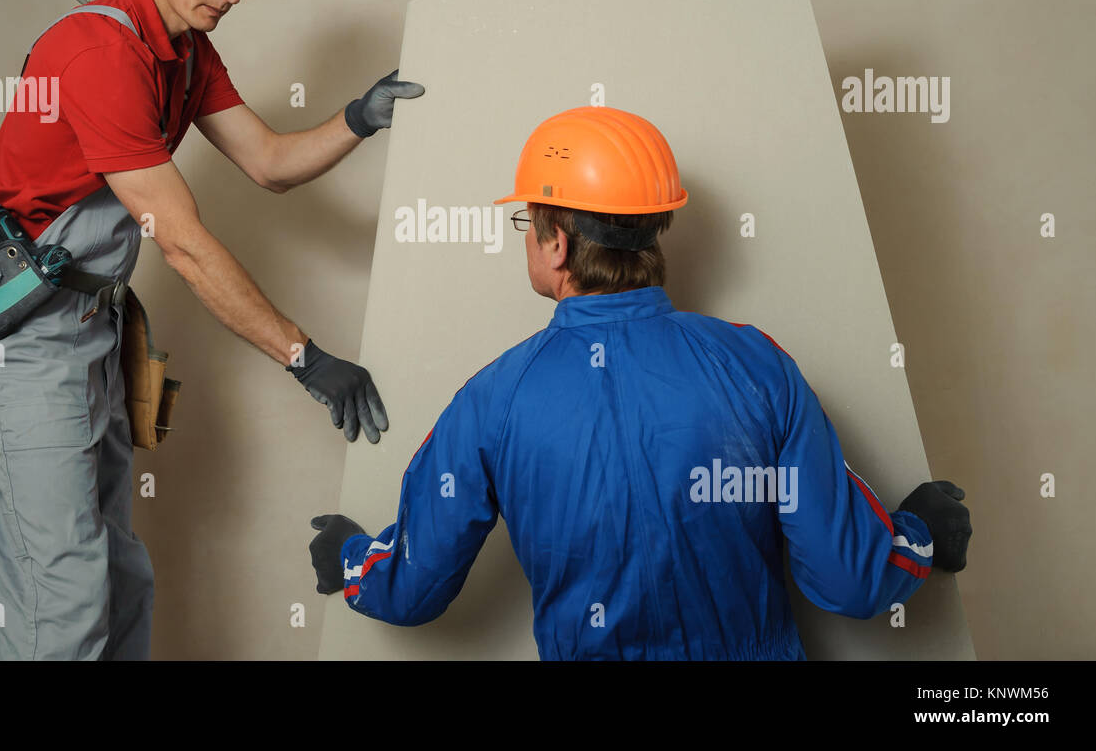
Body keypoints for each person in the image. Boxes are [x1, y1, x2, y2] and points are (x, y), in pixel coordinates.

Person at [0, 0, 424, 660]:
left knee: (122, 577)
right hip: (27, 335)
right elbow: (179, 237)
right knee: (58, 594)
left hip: (93, 329)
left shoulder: (186, 54)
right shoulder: (98, 50)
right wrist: (302, 356)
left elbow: (270, 161)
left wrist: (356, 117)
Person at [309, 105, 971, 660]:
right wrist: (919, 531)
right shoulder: (756, 365)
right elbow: (852, 577)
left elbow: (411, 586)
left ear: (557, 242)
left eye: (527, 223)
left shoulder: (492, 401)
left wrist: (350, 557)